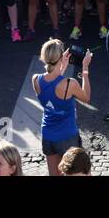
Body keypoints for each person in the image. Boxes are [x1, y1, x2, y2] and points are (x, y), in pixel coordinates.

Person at [32, 39, 91, 176]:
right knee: (82, 172)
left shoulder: (36, 80)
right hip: (67, 137)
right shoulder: (69, 83)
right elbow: (86, 98)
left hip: (47, 136)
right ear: (59, 57)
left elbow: (53, 83)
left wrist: (61, 65)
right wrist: (85, 69)